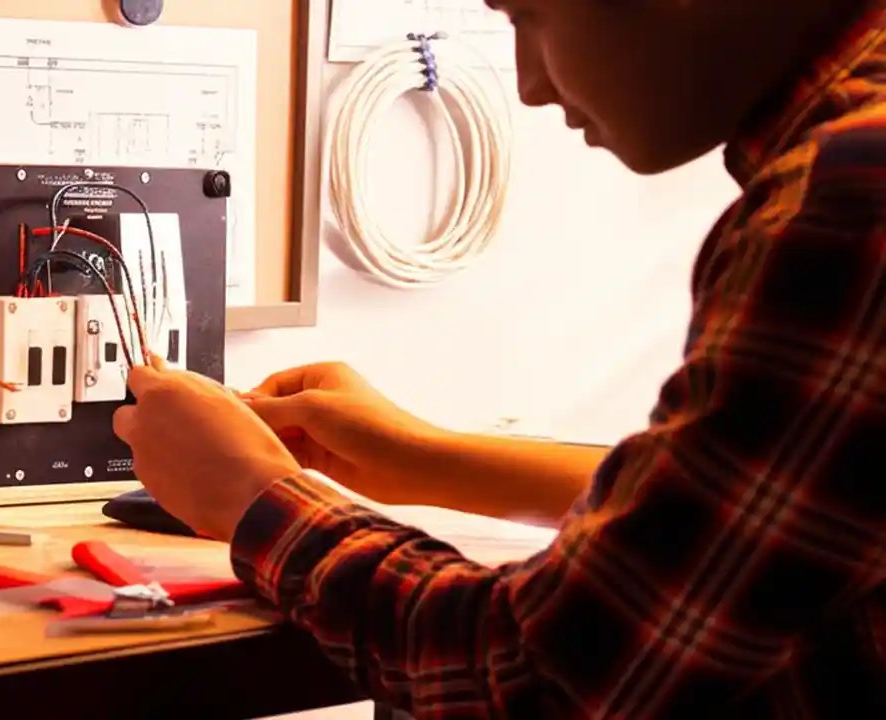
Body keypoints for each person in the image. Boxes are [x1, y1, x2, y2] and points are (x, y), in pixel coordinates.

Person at [112, 0, 886, 716]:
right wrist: (422, 458)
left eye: (530, 15)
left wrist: (255, 497)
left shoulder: (849, 203)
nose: (530, 85)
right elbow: (764, 514)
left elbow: (539, 676)